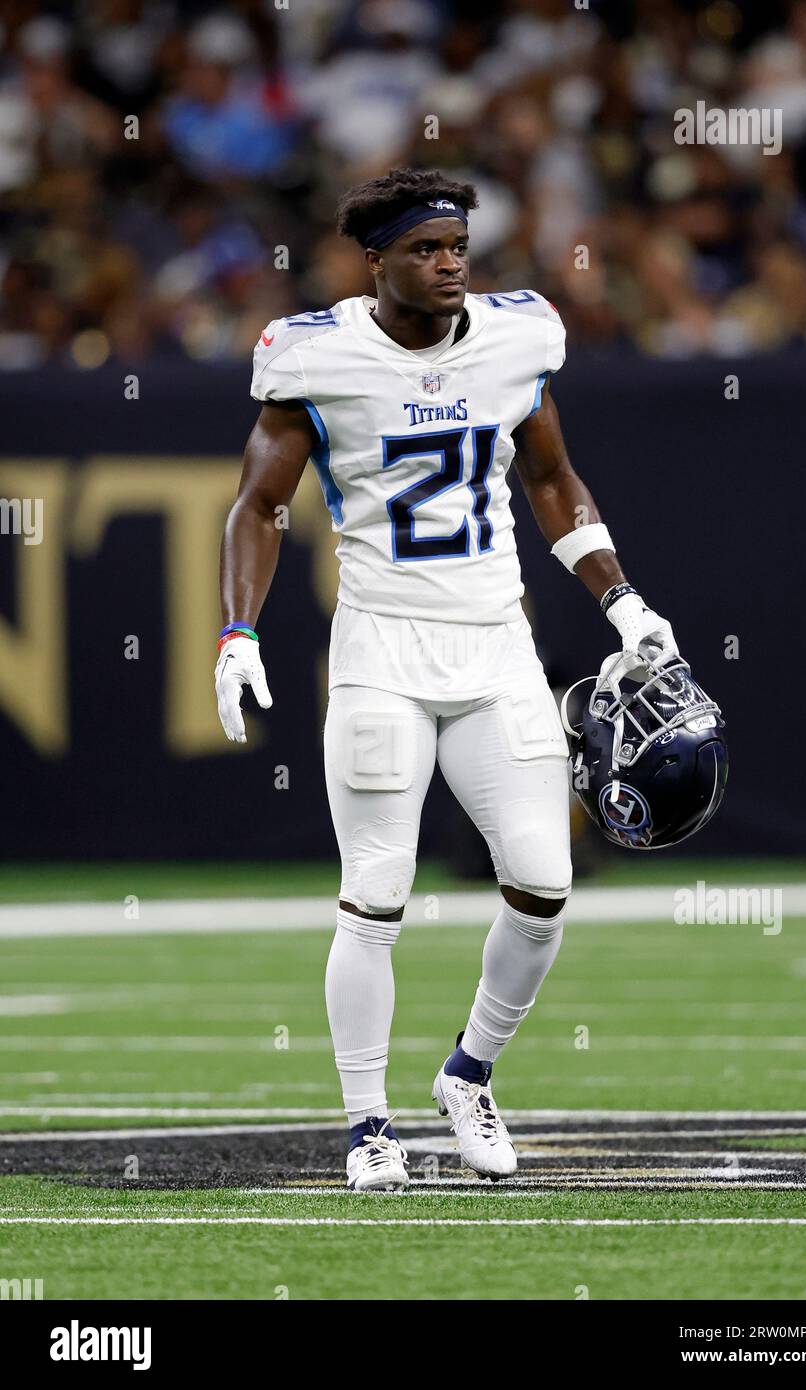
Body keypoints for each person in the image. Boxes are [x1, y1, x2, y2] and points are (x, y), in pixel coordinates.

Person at [216, 167, 677, 1191]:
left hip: (494, 645)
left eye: (457, 245)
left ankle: (467, 1073)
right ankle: (364, 1125)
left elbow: (549, 478)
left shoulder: (515, 338)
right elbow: (257, 505)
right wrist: (235, 629)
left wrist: (622, 601)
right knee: (375, 892)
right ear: (373, 260)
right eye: (424, 249)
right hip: (380, 648)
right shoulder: (319, 355)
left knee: (544, 881)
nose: (449, 263)